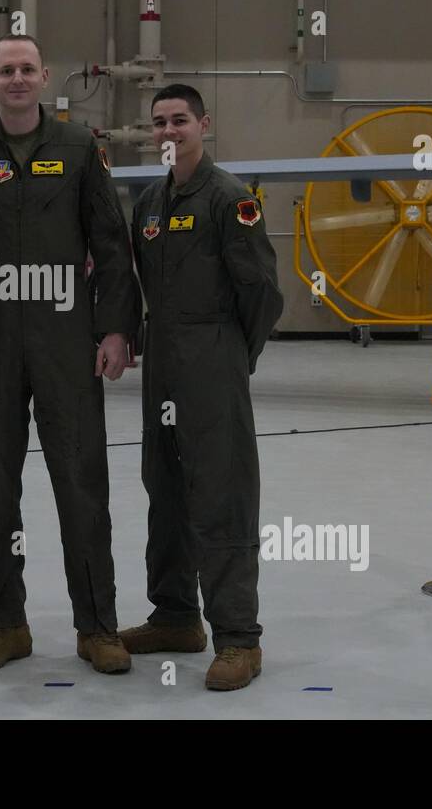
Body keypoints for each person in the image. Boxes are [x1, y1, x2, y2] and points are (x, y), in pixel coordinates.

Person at [0, 34, 141, 674]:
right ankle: (2, 624)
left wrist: (116, 330)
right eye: (7, 70)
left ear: (45, 76)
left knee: (83, 484)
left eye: (28, 68)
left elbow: (111, 244)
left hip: (66, 337)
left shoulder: (81, 148)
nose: (18, 79)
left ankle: (98, 627)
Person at [121, 84, 284, 691]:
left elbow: (262, 293)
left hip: (212, 358)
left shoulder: (231, 199)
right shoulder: (149, 204)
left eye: (180, 121)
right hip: (162, 357)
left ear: (203, 125)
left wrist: (233, 354)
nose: (169, 131)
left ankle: (239, 638)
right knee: (163, 485)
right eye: (159, 122)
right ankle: (175, 617)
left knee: (221, 492)